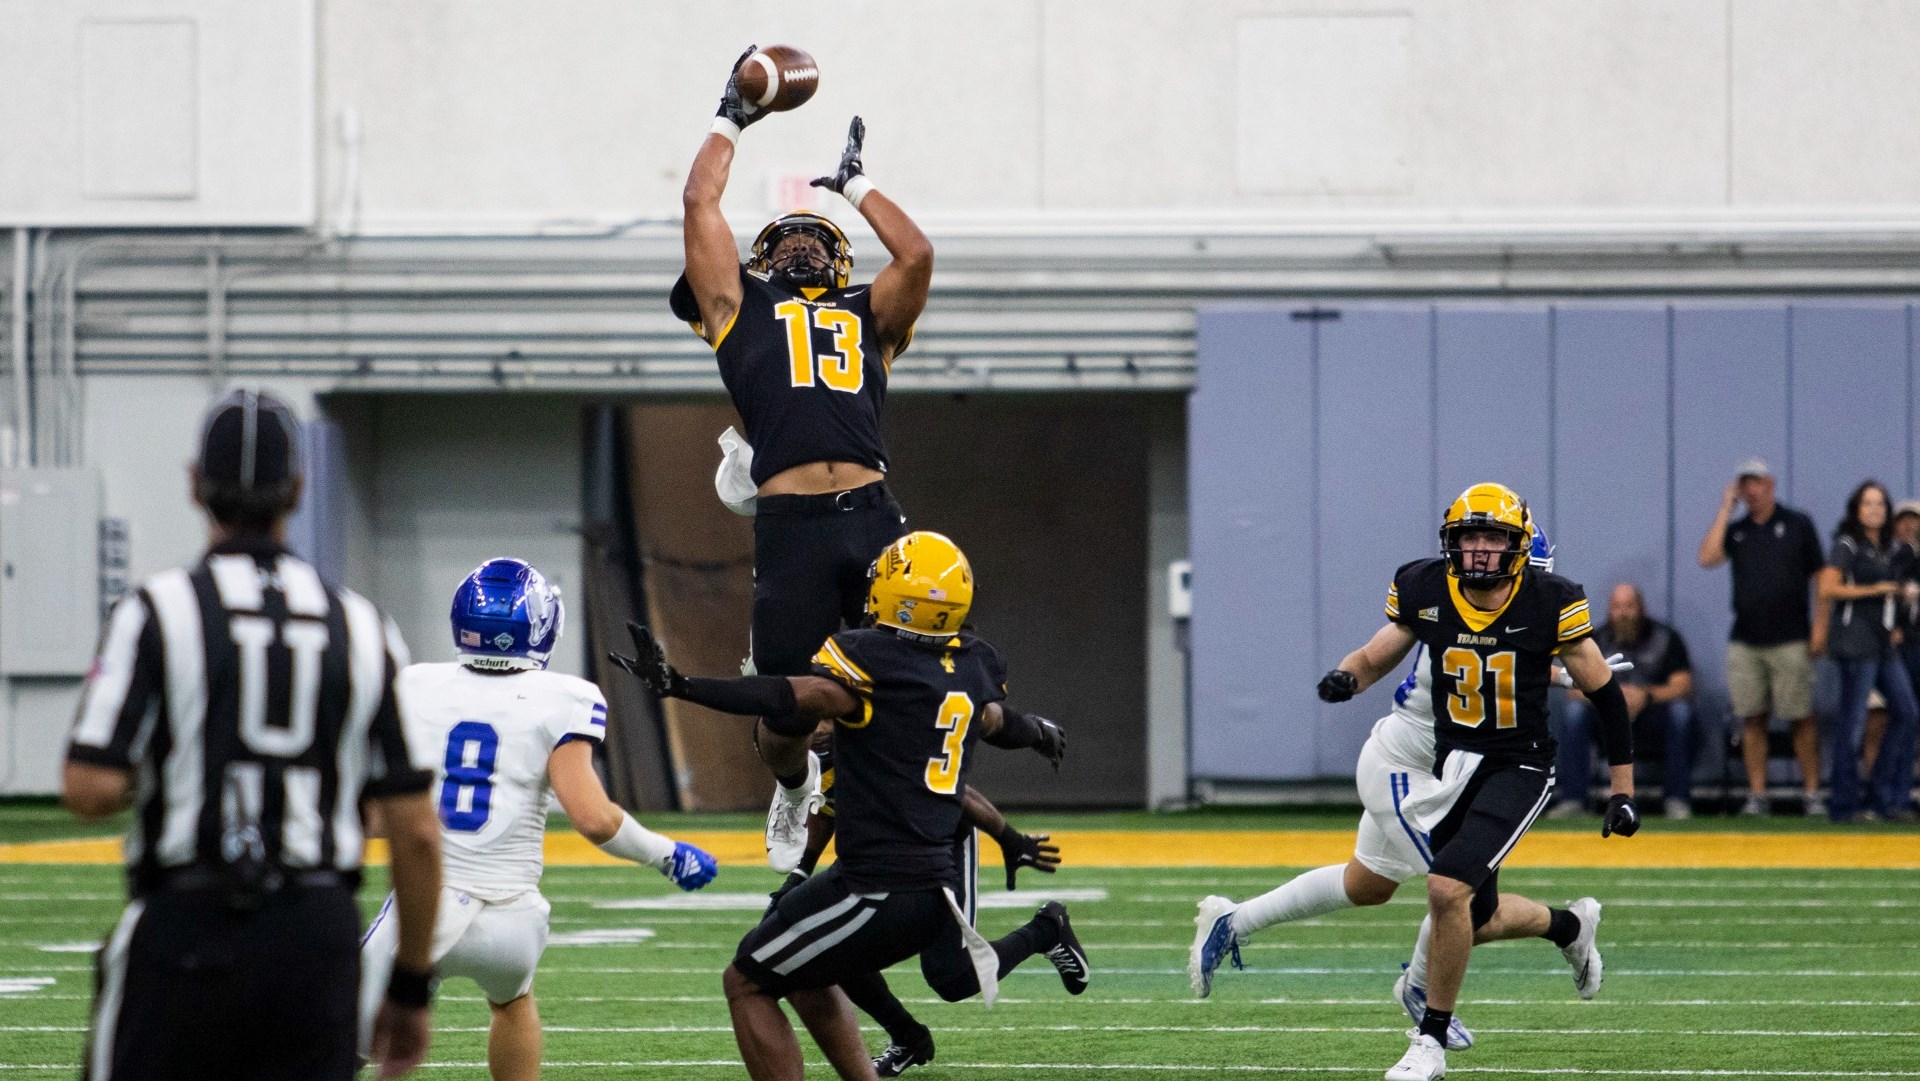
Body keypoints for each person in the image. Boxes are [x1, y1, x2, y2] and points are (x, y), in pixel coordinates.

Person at [63, 389, 441, 1081]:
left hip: (186, 920)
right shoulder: (362, 625)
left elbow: (89, 786)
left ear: (194, 484)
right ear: (296, 491)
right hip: (315, 936)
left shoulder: (156, 610)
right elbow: (417, 831)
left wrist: (184, 766)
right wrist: (411, 985)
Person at [613, 531, 1082, 1081]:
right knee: (803, 966)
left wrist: (683, 686)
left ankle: (914, 1028)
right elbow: (997, 722)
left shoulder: (871, 663)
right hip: (923, 884)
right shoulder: (971, 666)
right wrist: (1041, 732)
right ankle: (901, 1041)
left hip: (880, 887)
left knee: (745, 980)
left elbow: (790, 697)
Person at [1189, 521, 1629, 1054]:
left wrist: (1565, 672)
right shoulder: (1447, 604)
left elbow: (1510, 661)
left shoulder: (1522, 606)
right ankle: (1424, 992)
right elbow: (1465, 661)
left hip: (1455, 771)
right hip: (1406, 765)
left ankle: (1232, 921)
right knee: (1459, 897)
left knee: (1367, 885)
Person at [673, 46, 934, 872]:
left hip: (872, 514)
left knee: (901, 686)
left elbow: (918, 255)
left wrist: (854, 185)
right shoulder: (734, 309)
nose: (800, 247)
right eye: (784, 238)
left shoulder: (870, 316)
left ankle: (900, 815)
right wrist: (730, 115)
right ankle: (793, 790)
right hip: (792, 526)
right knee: (786, 712)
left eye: (816, 239)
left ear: (843, 260)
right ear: (755, 265)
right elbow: (697, 199)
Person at [1312, 483, 1640, 1081]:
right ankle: (1570, 926)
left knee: (1444, 890)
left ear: (1518, 547)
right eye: (1470, 537)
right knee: (1474, 913)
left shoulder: (1550, 600)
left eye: (1494, 537)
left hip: (1519, 764)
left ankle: (1429, 1041)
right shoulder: (1426, 588)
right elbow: (1376, 653)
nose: (1481, 549)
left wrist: (1623, 790)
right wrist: (1347, 676)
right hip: (1453, 765)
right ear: (1450, 543)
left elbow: (1605, 695)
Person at [358, 559, 718, 1080]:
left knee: (336, 1044)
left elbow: (376, 806)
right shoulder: (566, 697)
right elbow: (593, 818)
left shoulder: (414, 684)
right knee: (512, 1001)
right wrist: (667, 854)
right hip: (512, 921)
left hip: (422, 907)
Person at [765, 723, 1063, 1077]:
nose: (816, 727)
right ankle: (907, 1037)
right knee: (825, 943)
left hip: (937, 842)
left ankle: (1045, 930)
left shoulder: (877, 727)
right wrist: (800, 873)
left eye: (821, 715)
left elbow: (956, 790)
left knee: (952, 977)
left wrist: (1011, 839)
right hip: (876, 851)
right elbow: (825, 805)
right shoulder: (807, 748)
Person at [1698, 458, 1827, 816]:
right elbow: (1707, 557)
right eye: (1745, 484)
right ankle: (1758, 795)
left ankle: (1812, 794)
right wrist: (1725, 508)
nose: (1751, 490)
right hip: (1746, 640)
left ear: (1770, 485)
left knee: (1800, 716)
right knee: (1752, 718)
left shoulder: (1798, 524)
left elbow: (1821, 578)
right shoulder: (1738, 532)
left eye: (1756, 483)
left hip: (1791, 638)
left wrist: (1820, 628)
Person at [1817, 481, 1920, 822]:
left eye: (1880, 504)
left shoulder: (1889, 547)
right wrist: (1874, 589)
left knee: (1906, 712)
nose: (1875, 509)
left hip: (1882, 639)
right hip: (1855, 639)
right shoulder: (1848, 544)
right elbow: (1827, 587)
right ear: (1856, 509)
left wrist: (1898, 597)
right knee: (1853, 722)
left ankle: (1887, 796)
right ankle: (1844, 803)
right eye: (1868, 503)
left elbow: (1890, 587)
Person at [1551, 583, 1696, 819]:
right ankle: (1573, 800)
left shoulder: (1666, 638)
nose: (1623, 614)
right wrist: (1611, 695)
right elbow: (1572, 689)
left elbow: (1684, 686)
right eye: (1617, 607)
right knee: (1575, 712)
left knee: (1681, 713)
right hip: (1606, 717)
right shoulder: (1594, 639)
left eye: (1629, 606)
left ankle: (1676, 799)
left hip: (1651, 717)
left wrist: (1645, 695)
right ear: (1609, 610)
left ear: (1642, 608)